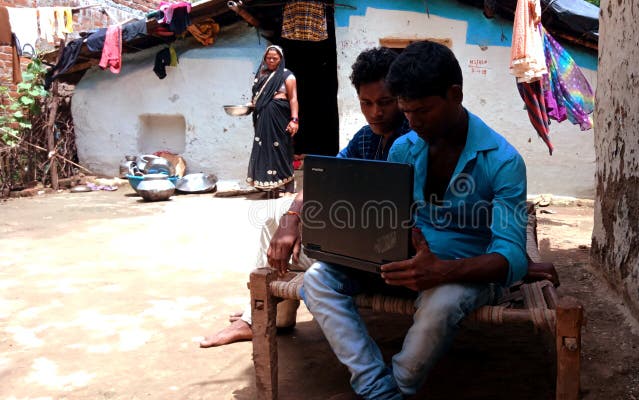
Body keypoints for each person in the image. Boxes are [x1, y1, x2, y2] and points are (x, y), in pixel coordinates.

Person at [301, 41, 530, 400]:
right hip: (403, 264)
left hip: (463, 271)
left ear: (455, 94)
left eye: (422, 110)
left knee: (441, 305)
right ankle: (377, 387)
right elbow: (393, 220)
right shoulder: (404, 147)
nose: (413, 122)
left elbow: (512, 257)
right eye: (406, 111)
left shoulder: (503, 162)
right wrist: (372, 247)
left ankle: (392, 389)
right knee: (317, 278)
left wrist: (440, 272)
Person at [200, 47, 411, 348]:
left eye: (385, 102)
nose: (375, 112)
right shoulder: (366, 137)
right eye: (366, 103)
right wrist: (293, 219)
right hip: (359, 244)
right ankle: (271, 314)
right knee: (277, 221)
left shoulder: (413, 139)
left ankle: (257, 316)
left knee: (295, 238)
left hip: (390, 259)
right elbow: (322, 180)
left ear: (401, 98)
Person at [246, 45, 299, 193]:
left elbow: (293, 98)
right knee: (264, 149)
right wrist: (251, 105)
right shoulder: (261, 75)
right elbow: (257, 97)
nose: (271, 60)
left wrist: (294, 120)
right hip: (263, 117)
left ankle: (288, 184)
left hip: (279, 117)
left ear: (280, 59)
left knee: (281, 148)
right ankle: (271, 185)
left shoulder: (287, 75)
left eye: (274, 58)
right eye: (268, 58)